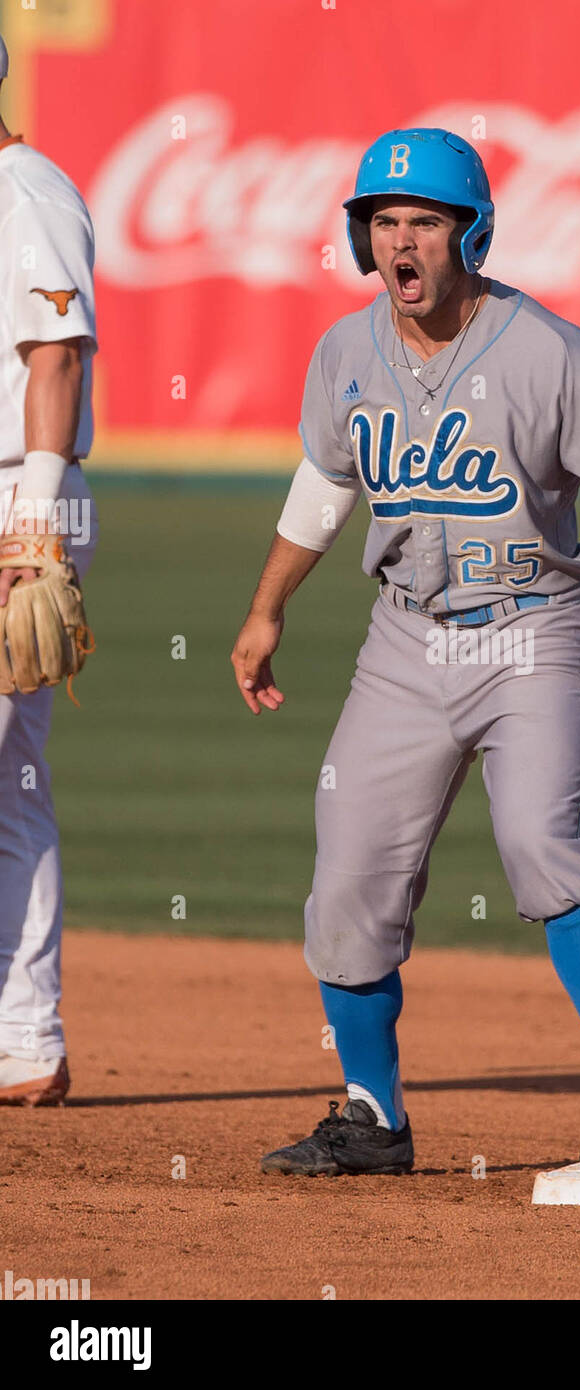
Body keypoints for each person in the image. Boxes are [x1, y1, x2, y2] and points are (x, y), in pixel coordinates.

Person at [231, 128, 580, 1176]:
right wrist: (267, 611)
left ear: (471, 235)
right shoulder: (346, 356)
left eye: (424, 223)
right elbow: (321, 491)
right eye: (383, 222)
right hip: (403, 638)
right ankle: (372, 1113)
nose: (401, 242)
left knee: (542, 845)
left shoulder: (545, 352)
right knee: (350, 877)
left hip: (533, 629)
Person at [0, 34, 99, 1106]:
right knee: (10, 781)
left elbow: (56, 355)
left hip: (13, 498)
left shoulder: (23, 189)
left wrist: (33, 525)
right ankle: (24, 1040)